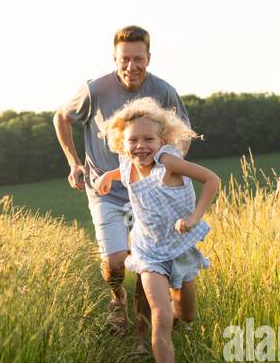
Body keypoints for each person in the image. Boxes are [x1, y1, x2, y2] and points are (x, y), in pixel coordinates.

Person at [53, 25, 193, 335]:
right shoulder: (95, 90)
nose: (131, 66)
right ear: (115, 58)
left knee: (147, 263)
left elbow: (183, 135)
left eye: (138, 59)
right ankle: (118, 300)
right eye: (124, 59)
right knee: (116, 262)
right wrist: (74, 163)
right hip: (105, 189)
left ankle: (145, 329)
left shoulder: (164, 91)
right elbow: (61, 117)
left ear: (149, 58)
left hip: (148, 193)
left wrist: (167, 166)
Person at [95, 97, 219, 363]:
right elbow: (118, 174)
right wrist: (104, 179)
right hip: (149, 252)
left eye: (148, 139)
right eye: (133, 140)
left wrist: (193, 218)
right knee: (160, 315)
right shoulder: (126, 167)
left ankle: (176, 323)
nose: (140, 146)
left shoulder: (169, 162)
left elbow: (211, 180)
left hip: (180, 248)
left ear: (161, 140)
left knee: (186, 315)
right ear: (122, 145)